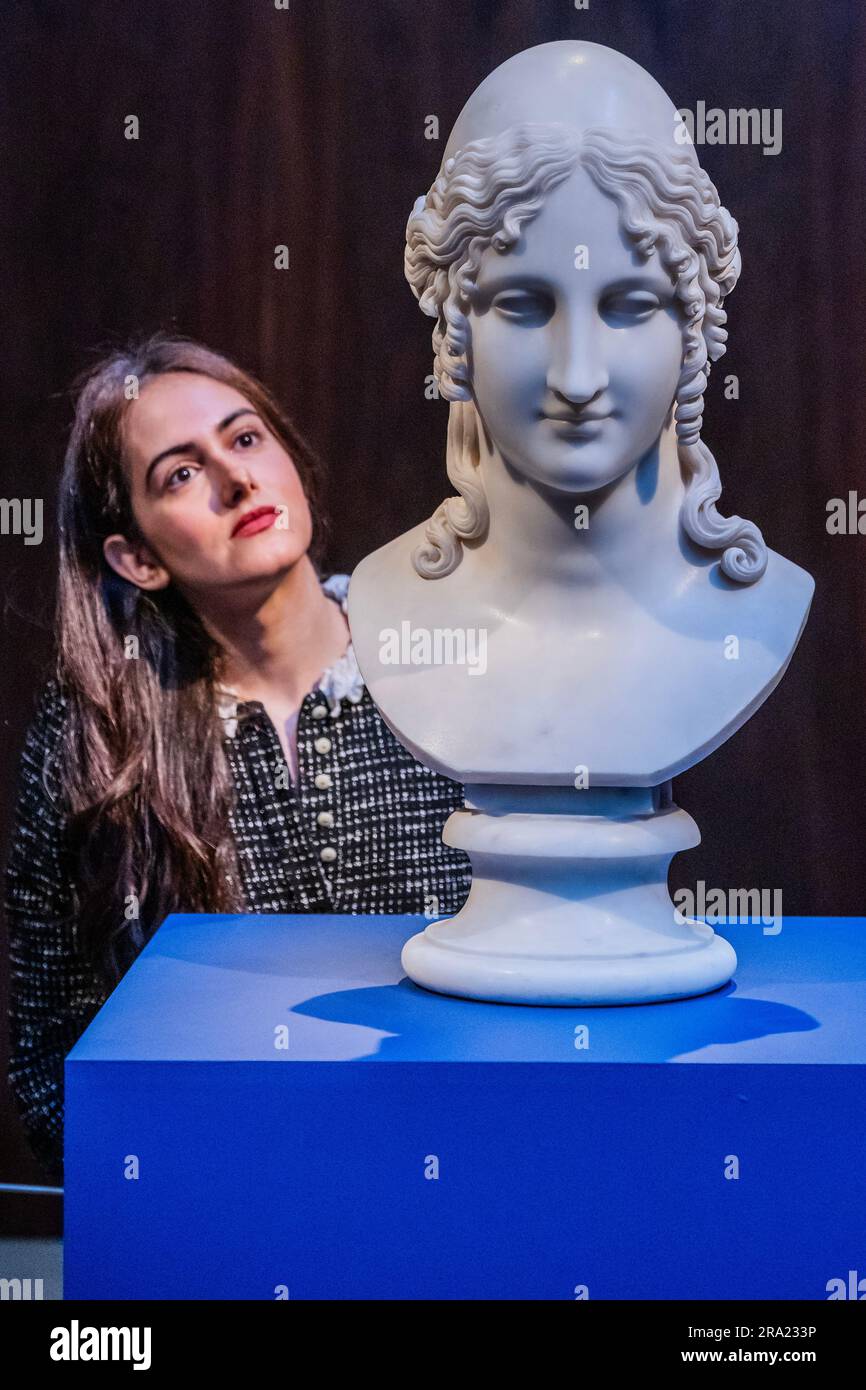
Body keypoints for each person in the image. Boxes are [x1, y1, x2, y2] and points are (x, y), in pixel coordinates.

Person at [3, 330, 471, 1183]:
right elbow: (53, 1068)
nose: (235, 479)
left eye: (245, 437)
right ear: (136, 555)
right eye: (180, 473)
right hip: (222, 1218)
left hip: (468, 1185)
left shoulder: (450, 670)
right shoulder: (96, 744)